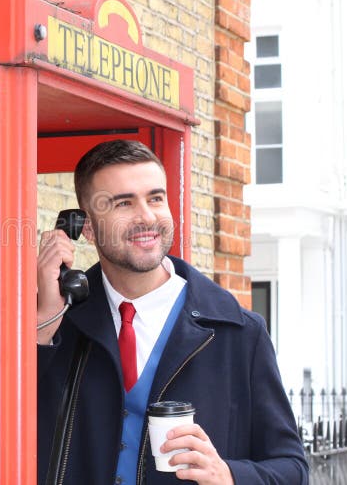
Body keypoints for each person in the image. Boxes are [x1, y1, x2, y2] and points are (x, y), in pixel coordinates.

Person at [36, 140, 308, 485]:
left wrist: (230, 476)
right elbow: (0, 424)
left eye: (155, 198)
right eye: (124, 203)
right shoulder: (57, 324)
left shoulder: (239, 332)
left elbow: (293, 470)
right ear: (86, 228)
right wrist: (43, 322)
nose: (147, 217)